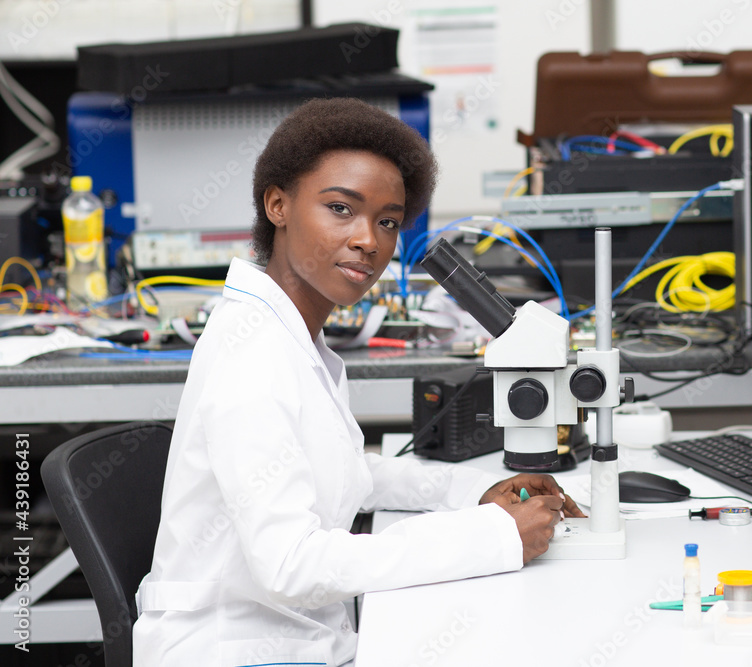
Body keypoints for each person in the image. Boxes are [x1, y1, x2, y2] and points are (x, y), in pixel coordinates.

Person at [132, 97, 584, 666]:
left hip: (295, 636)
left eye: (388, 221)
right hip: (234, 650)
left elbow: (341, 471)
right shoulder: (251, 355)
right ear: (278, 204)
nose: (369, 239)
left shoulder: (293, 336)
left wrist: (470, 495)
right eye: (341, 209)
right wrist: (493, 536)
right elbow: (290, 564)